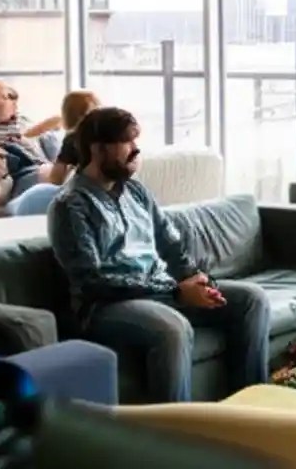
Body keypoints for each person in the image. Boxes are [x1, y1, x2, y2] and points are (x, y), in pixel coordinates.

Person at [48, 107, 270, 402]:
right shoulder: (70, 205)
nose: (136, 150)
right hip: (107, 305)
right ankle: (176, 432)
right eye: (126, 142)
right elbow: (93, 280)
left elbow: (170, 244)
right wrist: (176, 292)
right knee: (171, 328)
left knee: (251, 300)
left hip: (162, 291)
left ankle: (248, 409)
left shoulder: (137, 192)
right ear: (97, 149)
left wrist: (194, 277)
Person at [0, 90, 100, 218]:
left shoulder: (74, 139)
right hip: (33, 172)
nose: (14, 103)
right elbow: (56, 179)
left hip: (39, 171)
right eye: (6, 97)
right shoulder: (72, 140)